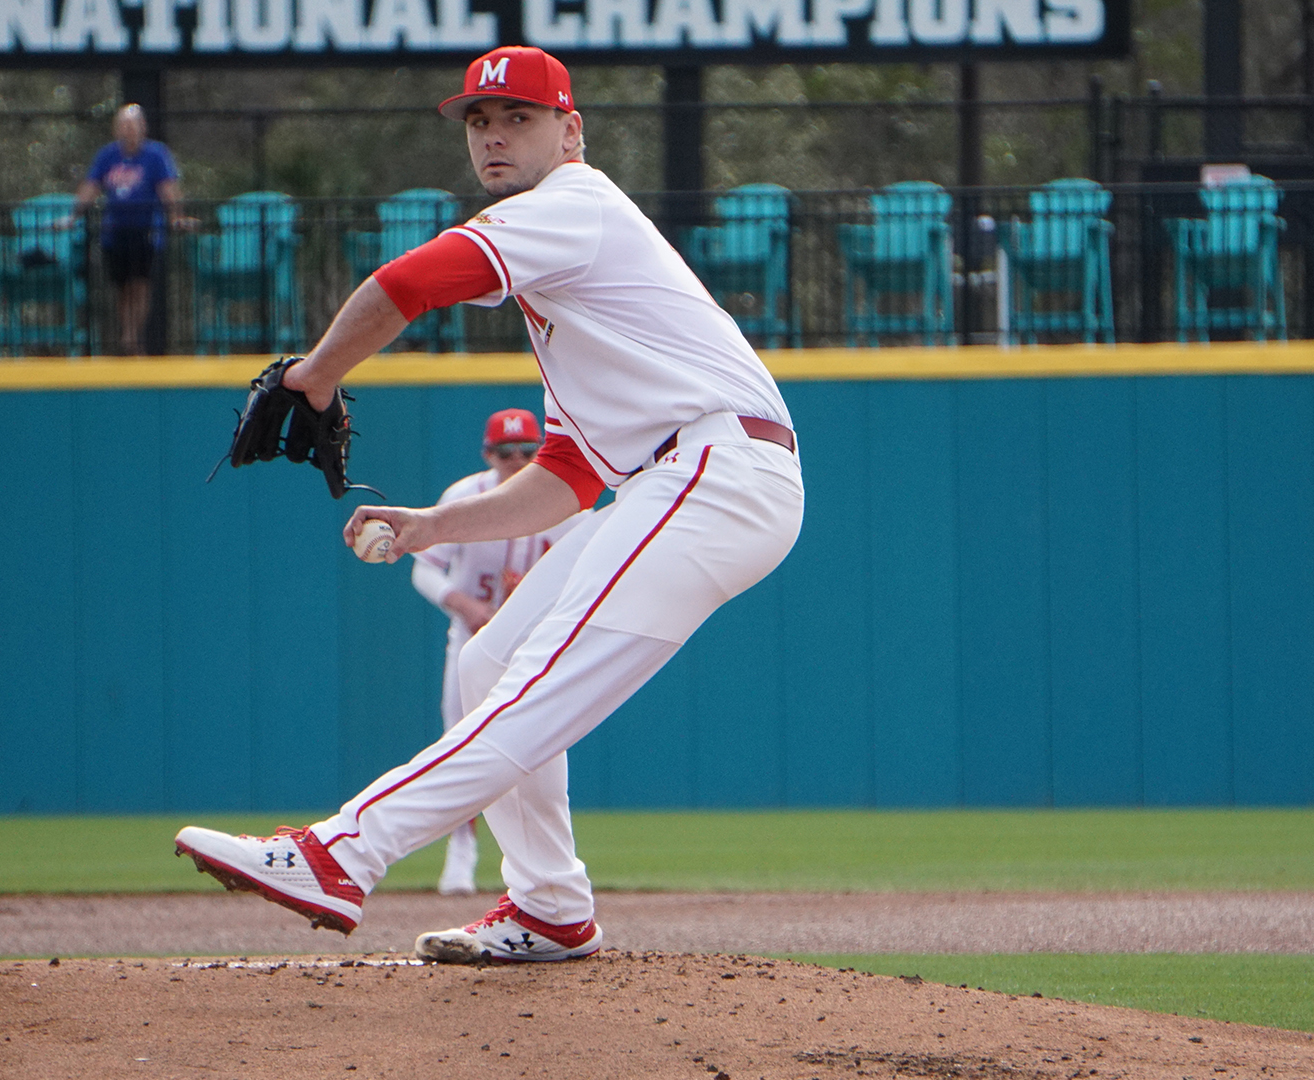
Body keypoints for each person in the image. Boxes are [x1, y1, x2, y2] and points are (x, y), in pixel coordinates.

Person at [174, 45, 803, 964]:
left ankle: (342, 851)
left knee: (534, 683)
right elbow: (568, 478)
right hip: (678, 478)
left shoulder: (571, 208)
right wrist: (435, 525)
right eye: (479, 120)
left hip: (717, 472)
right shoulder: (567, 287)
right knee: (491, 660)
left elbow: (415, 283)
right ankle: (549, 907)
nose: (495, 135)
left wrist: (313, 379)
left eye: (518, 117)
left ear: (570, 130)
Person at [411, 407, 587, 897]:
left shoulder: (563, 503)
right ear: (488, 453)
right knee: (461, 741)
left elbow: (584, 571)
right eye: (506, 451)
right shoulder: (464, 497)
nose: (516, 459)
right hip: (472, 640)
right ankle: (461, 853)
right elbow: (424, 570)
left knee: (542, 746)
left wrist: (530, 597)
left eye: (528, 451)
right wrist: (461, 602)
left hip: (536, 644)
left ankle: (547, 865)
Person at [64, 104, 194, 354]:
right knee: (122, 286)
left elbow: (168, 189)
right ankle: (127, 334)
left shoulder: (156, 155)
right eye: (123, 125)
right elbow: (91, 186)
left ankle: (132, 337)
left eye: (132, 125)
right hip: (115, 231)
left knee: (140, 283)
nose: (128, 130)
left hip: (145, 230)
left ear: (142, 128)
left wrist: (177, 216)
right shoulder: (107, 156)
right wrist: (73, 216)